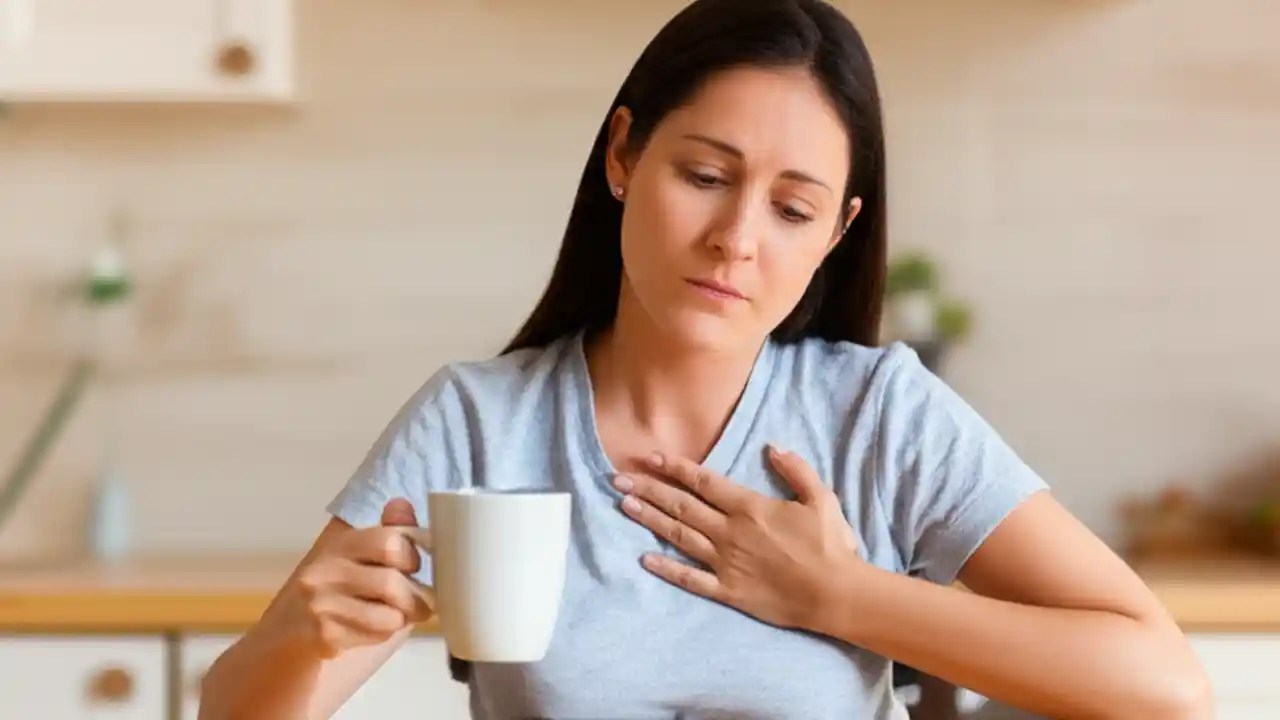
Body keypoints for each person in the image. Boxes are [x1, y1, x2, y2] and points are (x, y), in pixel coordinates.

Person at [199, 1, 1212, 718]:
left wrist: (841, 596)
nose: (735, 236)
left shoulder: (877, 415)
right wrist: (304, 641)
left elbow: (1164, 686)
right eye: (702, 175)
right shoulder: (478, 422)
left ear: (836, 232)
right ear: (622, 155)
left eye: (791, 207)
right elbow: (235, 712)